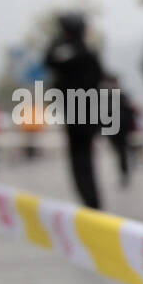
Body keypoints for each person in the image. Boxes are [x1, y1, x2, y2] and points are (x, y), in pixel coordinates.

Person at [44, 12, 105, 208]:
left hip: (78, 112)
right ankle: (91, 200)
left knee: (80, 159)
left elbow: (50, 60)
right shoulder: (82, 51)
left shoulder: (69, 50)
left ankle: (90, 200)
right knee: (84, 158)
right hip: (83, 111)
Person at [102, 75, 136, 188]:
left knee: (122, 151)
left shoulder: (122, 96)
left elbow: (130, 113)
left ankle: (124, 172)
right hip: (111, 130)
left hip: (122, 129)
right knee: (119, 151)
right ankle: (124, 170)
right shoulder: (105, 97)